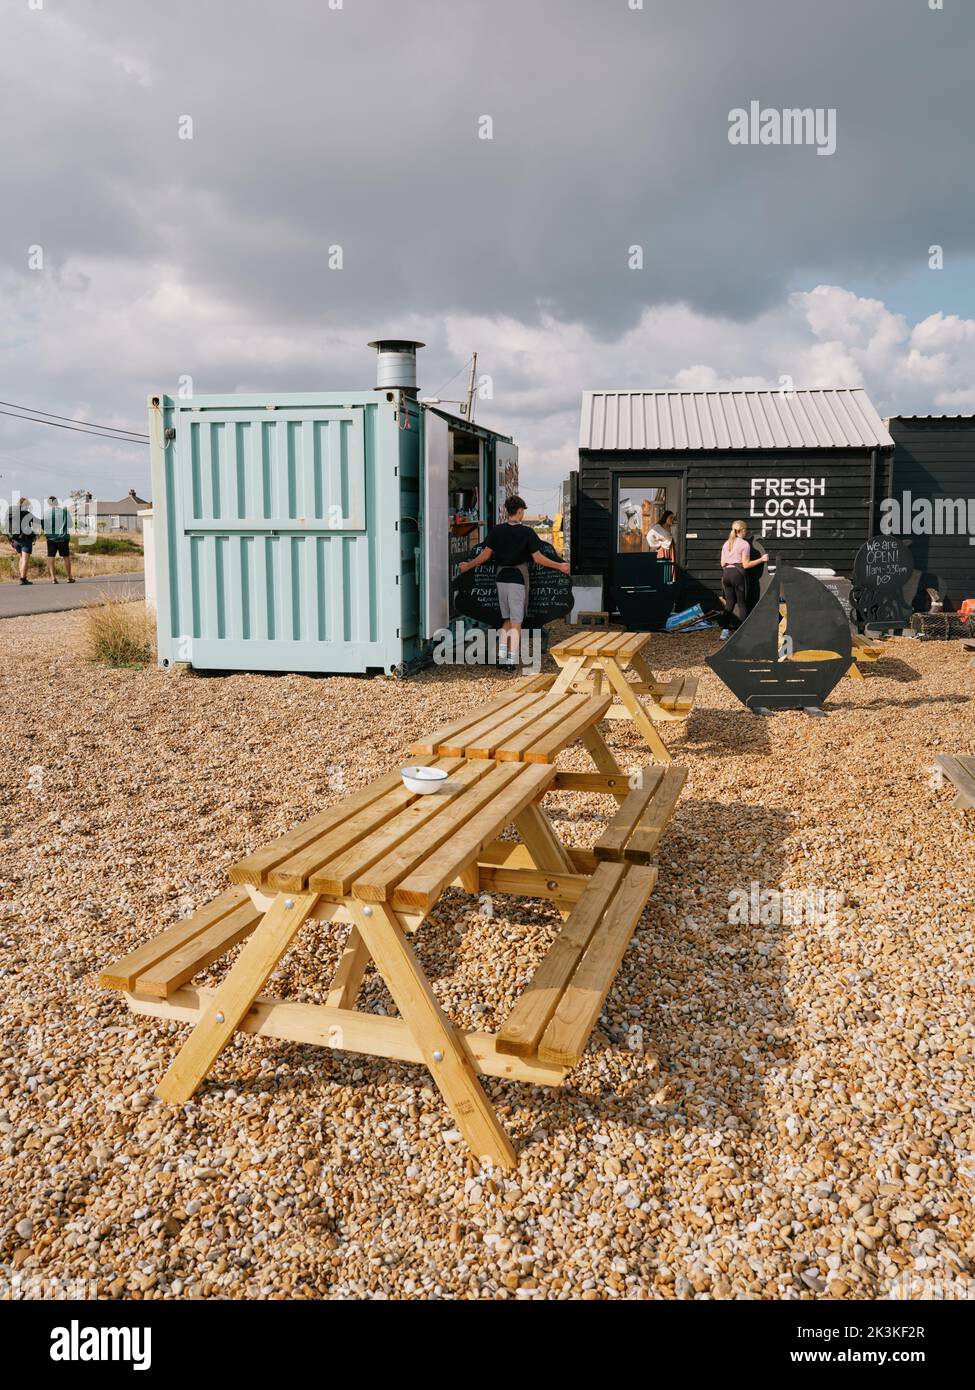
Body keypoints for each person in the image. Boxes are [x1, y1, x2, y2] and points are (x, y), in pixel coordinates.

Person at [458, 494, 570, 667]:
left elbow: (485, 555)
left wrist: (468, 565)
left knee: (507, 620)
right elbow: (539, 558)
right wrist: (559, 566)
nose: (523, 514)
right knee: (517, 623)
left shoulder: (496, 530)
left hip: (500, 579)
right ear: (519, 511)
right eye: (522, 511)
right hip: (517, 580)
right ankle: (510, 660)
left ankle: (501, 657)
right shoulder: (527, 532)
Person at [719, 519, 768, 638]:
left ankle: (724, 632)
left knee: (729, 603)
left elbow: (722, 563)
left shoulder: (726, 543)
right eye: (745, 530)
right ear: (742, 530)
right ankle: (744, 634)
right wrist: (761, 559)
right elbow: (746, 565)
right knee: (742, 604)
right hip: (737, 575)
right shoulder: (744, 544)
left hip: (726, 575)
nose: (746, 532)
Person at [5, 496, 40, 585]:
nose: (28, 507)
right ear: (25, 505)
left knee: (21, 558)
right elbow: (38, 521)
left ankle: (22, 577)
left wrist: (11, 539)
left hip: (15, 540)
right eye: (28, 505)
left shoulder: (11, 513)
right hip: (25, 540)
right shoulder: (26, 513)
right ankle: (23, 579)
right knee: (25, 559)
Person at [43, 496, 75, 584]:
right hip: (63, 538)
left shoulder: (45, 513)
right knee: (66, 556)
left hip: (51, 538)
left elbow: (43, 526)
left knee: (51, 556)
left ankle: (53, 578)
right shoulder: (64, 512)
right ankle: (69, 577)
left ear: (48, 504)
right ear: (57, 502)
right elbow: (70, 525)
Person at [646, 508, 677, 583]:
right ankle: (663, 583)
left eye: (673, 518)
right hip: (663, 550)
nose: (672, 519)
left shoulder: (669, 527)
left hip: (670, 549)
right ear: (665, 517)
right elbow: (649, 536)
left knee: (671, 566)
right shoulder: (658, 527)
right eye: (670, 517)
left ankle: (671, 581)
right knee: (664, 567)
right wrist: (658, 545)